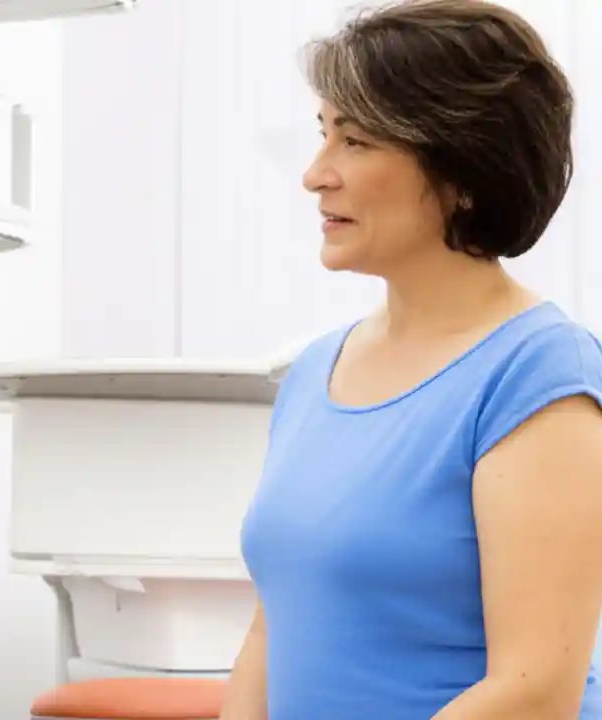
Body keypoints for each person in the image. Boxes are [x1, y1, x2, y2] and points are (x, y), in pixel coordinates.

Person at [226, 1, 602, 718]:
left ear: (465, 171)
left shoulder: (539, 374)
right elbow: (272, 630)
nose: (315, 174)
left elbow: (533, 695)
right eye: (323, 134)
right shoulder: (313, 372)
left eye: (357, 142)